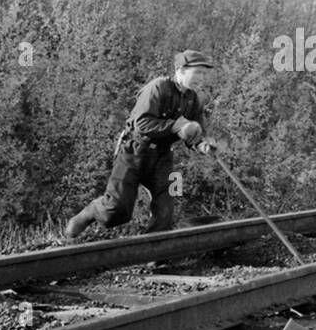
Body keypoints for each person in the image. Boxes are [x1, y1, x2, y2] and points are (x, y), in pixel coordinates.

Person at [65, 51, 216, 239]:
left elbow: (196, 131)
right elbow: (141, 124)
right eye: (198, 73)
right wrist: (176, 126)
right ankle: (91, 211)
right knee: (116, 211)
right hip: (134, 151)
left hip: (162, 156)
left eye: (204, 74)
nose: (201, 79)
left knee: (165, 211)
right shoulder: (158, 88)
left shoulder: (194, 100)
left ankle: (154, 256)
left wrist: (202, 144)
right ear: (181, 70)